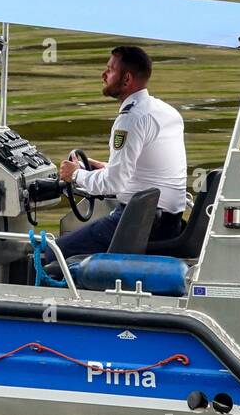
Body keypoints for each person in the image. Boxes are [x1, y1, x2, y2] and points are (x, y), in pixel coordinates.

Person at [52, 45, 187, 261]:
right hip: (169, 222)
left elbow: (115, 183)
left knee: (48, 253)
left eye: (110, 70)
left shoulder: (131, 119)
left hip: (139, 224)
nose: (103, 74)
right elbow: (150, 171)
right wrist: (106, 167)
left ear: (127, 80)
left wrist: (75, 175)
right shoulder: (164, 110)